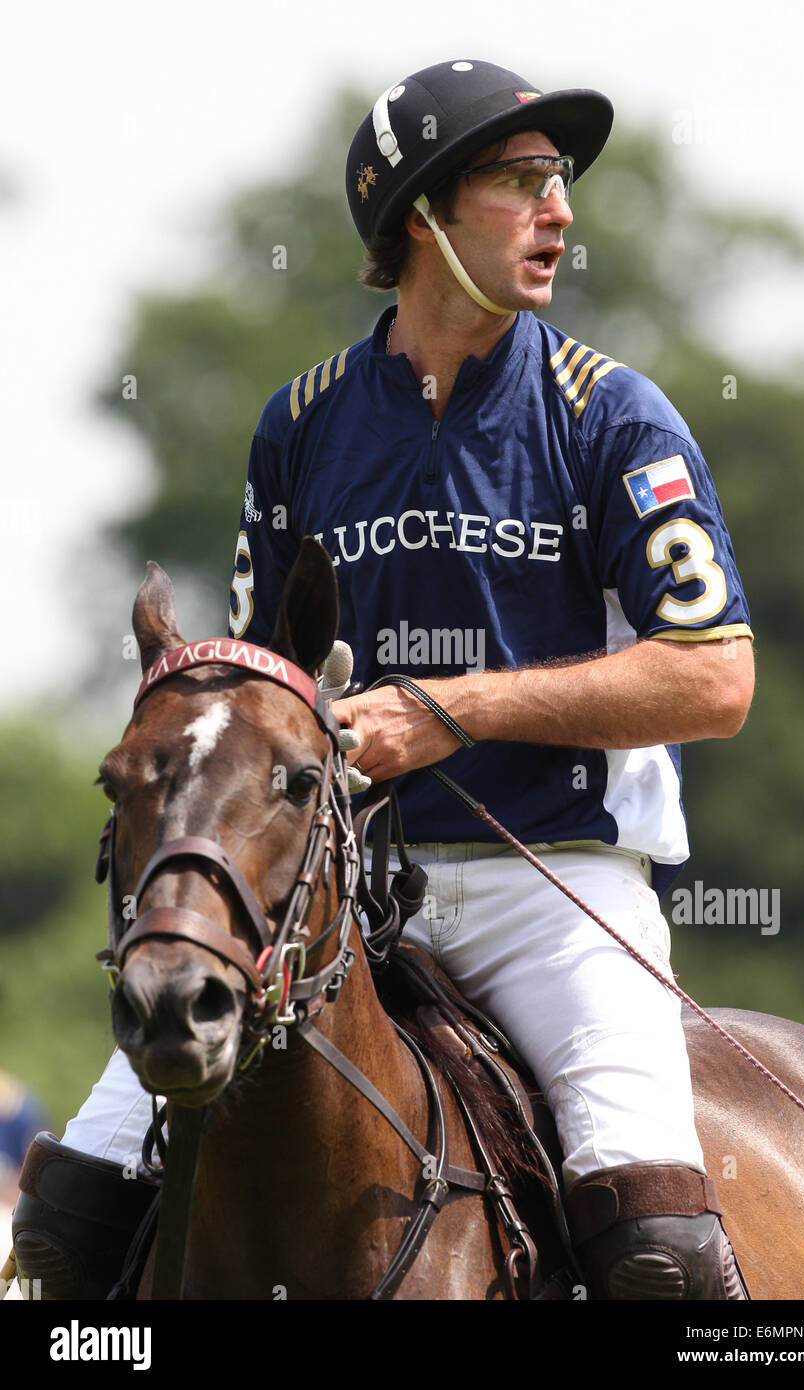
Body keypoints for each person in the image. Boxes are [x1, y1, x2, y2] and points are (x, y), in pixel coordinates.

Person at [13, 59, 754, 1302]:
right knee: (67, 1219)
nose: (559, 212)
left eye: (557, 181)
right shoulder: (300, 425)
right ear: (423, 215)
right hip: (330, 886)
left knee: (661, 1256)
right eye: (520, 183)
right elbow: (262, 688)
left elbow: (715, 679)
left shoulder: (613, 417)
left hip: (556, 887)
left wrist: (448, 711)